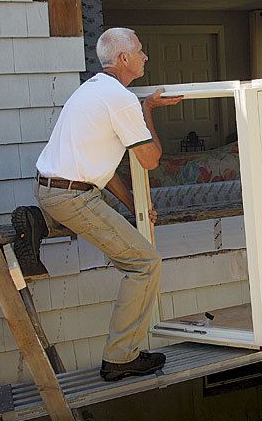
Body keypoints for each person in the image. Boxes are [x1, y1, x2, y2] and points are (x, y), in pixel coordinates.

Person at [14, 27, 182, 381]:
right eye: (140, 50)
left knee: (128, 248)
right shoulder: (121, 99)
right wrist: (148, 108)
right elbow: (150, 159)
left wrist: (132, 204)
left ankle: (40, 221)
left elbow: (103, 171)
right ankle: (120, 358)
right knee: (145, 264)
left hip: (54, 190)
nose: (145, 56)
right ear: (123, 59)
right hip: (72, 196)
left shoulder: (92, 89)